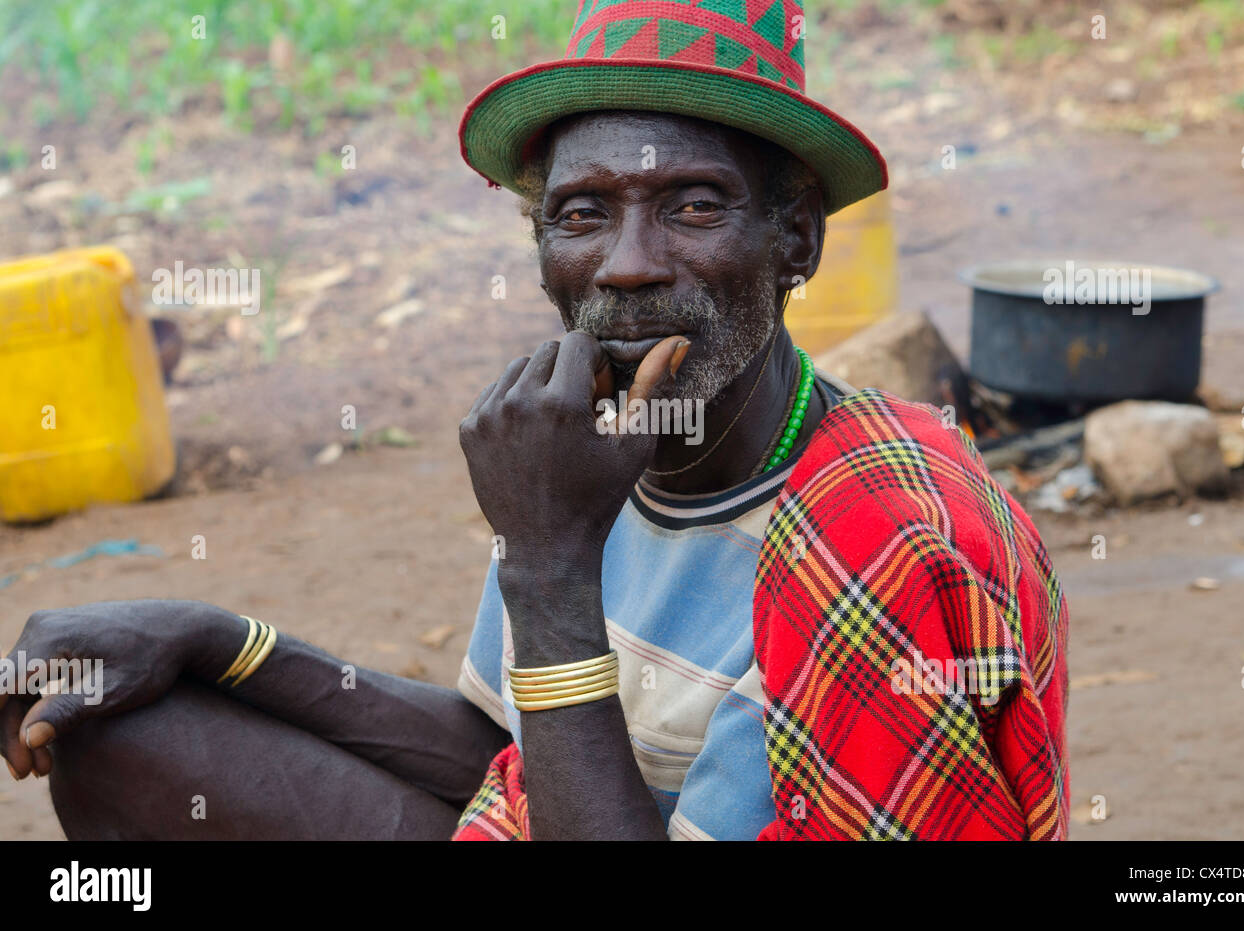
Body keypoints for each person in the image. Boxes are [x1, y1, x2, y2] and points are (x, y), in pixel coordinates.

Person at [1, 0, 1068, 840]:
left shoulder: (875, 542)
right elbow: (512, 747)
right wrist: (213, 638)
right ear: (542, 250)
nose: (629, 263)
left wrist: (550, 565)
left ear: (794, 242)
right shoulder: (597, 445)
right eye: (581, 213)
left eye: (693, 205)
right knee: (122, 734)